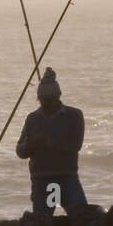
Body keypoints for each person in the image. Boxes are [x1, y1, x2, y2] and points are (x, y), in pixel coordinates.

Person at [16, 67, 87, 218]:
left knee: (81, 218)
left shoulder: (74, 116)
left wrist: (48, 142)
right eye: (43, 101)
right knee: (43, 220)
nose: (46, 104)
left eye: (49, 100)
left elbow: (75, 146)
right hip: (42, 180)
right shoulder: (32, 118)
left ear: (58, 96)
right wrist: (31, 144)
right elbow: (20, 151)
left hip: (67, 177)